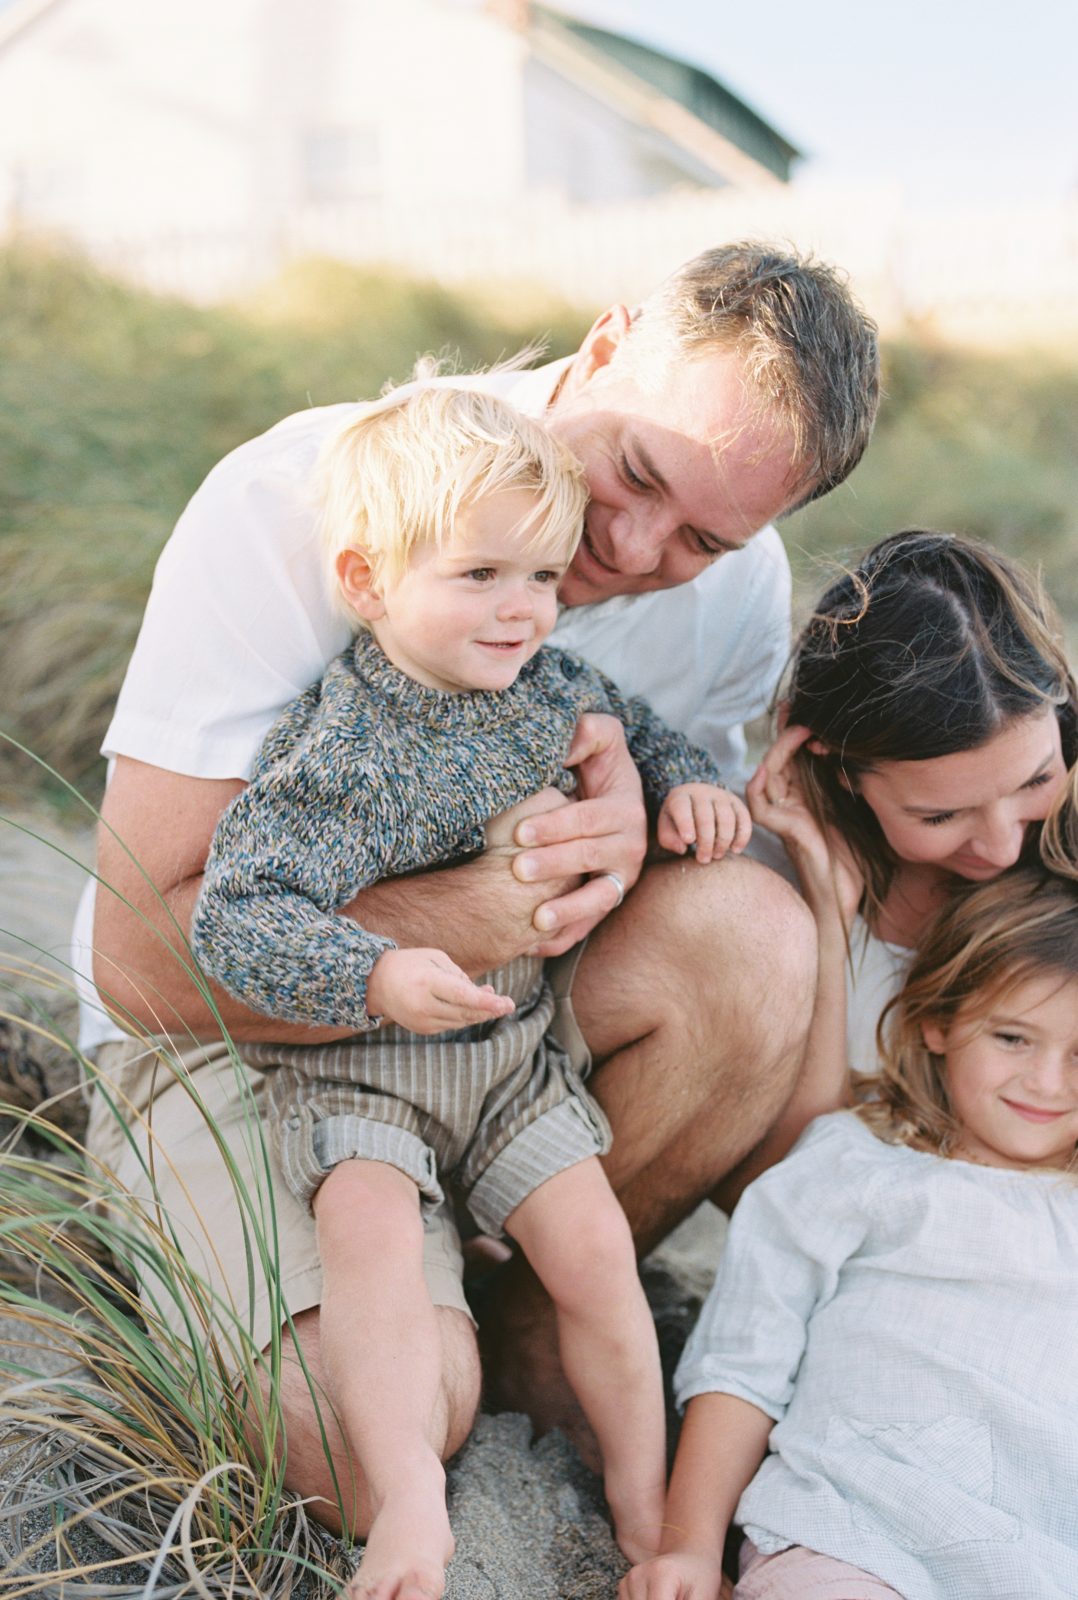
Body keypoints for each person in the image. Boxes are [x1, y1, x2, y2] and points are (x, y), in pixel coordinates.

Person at [77, 243, 879, 1520]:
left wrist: (643, 832)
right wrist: (490, 902)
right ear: (605, 344)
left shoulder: (737, 597)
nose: (627, 544)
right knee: (349, 1434)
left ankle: (524, 1318)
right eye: (632, 472)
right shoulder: (302, 503)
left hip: (504, 1051)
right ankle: (398, 1327)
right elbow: (139, 962)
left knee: (754, 936)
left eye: (702, 536)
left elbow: (706, 859)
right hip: (242, 1038)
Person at [191, 385, 751, 1592]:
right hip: (360, 1065)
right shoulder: (338, 746)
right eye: (480, 574)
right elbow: (233, 916)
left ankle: (645, 1507)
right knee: (371, 1239)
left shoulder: (547, 686)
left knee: (597, 1252)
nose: (522, 610)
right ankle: (408, 1506)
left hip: (509, 1059)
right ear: (367, 577)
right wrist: (373, 969)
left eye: (542, 578)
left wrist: (686, 787)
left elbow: (639, 730)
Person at [621, 861, 1078, 1600]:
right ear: (938, 1021)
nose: (1047, 1082)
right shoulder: (854, 1164)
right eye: (1013, 1038)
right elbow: (743, 1361)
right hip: (853, 1530)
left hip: (1044, 1555)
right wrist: (693, 1548)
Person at [743, 529, 1078, 1163]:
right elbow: (786, 1180)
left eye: (1036, 779)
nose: (1004, 848)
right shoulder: (761, 878)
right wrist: (828, 908)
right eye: (941, 814)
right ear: (838, 766)